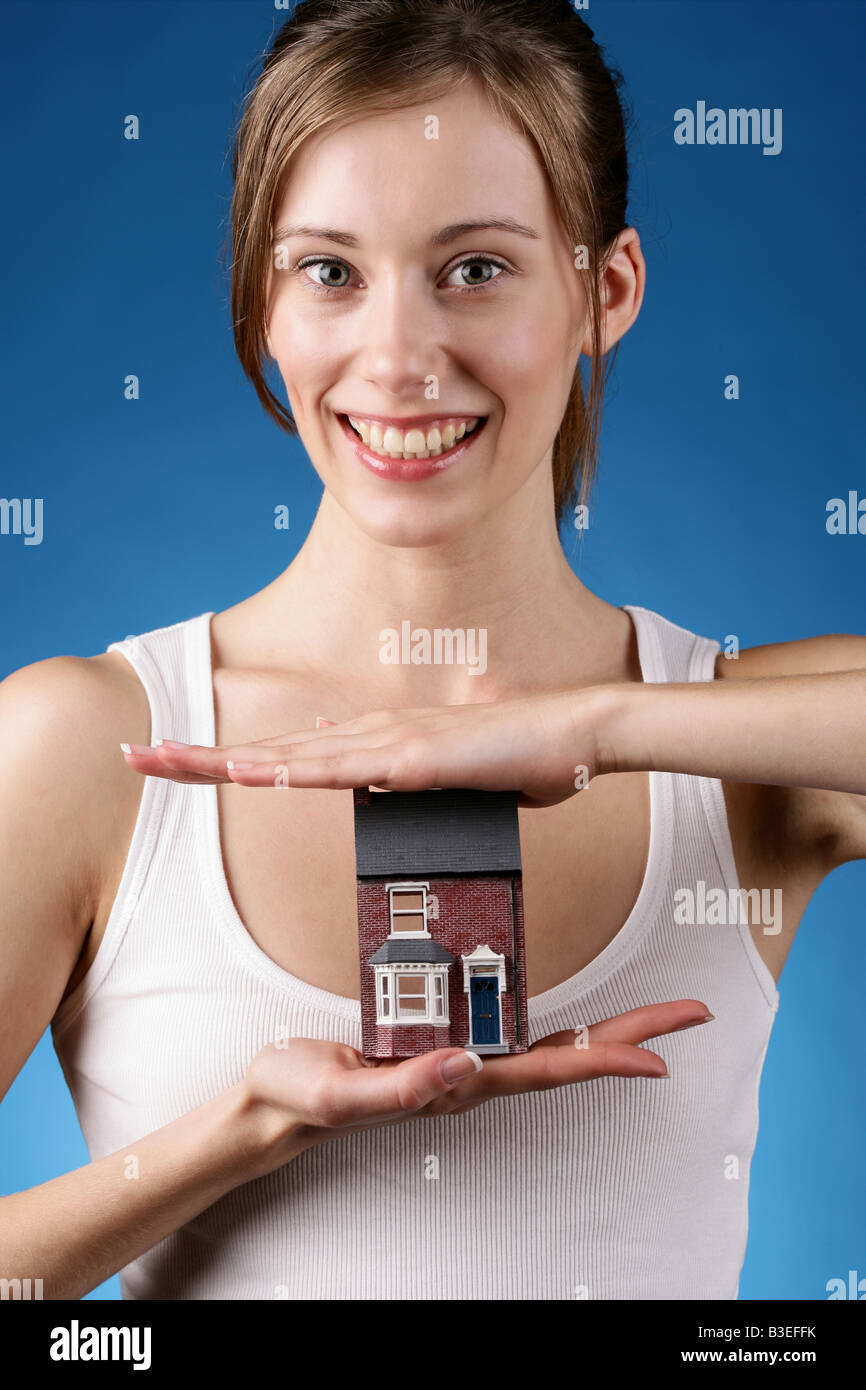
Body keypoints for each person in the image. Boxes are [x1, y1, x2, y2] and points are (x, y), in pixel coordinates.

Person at [1, 0, 863, 1301]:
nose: (399, 358)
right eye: (329, 271)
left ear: (602, 289)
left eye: (474, 267)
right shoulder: (91, 743)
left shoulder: (745, 740)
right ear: (262, 308)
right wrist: (246, 1129)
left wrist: (599, 725)